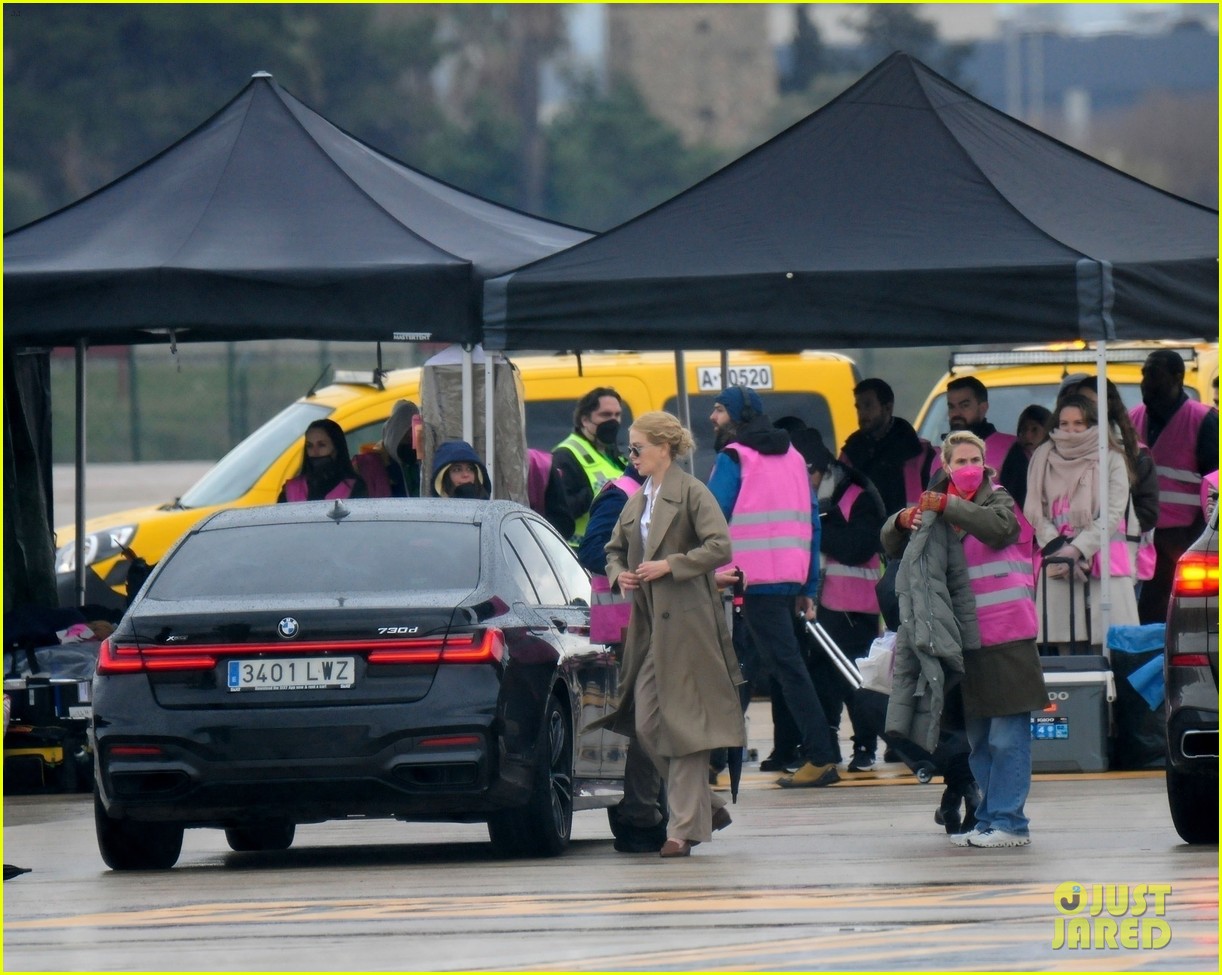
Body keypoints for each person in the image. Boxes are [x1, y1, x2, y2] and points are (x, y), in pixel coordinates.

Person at [891, 431, 1047, 848]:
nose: (969, 467)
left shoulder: (998, 500)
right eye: (960, 461)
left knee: (1006, 738)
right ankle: (989, 819)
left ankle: (1011, 823)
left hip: (1007, 636)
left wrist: (946, 505)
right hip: (966, 641)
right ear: (945, 466)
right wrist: (903, 519)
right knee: (980, 742)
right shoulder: (937, 506)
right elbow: (890, 540)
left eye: (975, 459)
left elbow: (999, 529)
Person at [603, 411, 746, 858]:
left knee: (685, 727)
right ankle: (707, 807)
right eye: (630, 448)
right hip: (649, 628)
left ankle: (682, 830)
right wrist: (620, 574)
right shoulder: (638, 499)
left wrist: (670, 565)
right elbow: (612, 549)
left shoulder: (692, 492)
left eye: (637, 447)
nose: (631, 456)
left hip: (688, 626)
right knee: (647, 723)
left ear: (664, 448)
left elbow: (720, 545)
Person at [707, 386, 839, 789]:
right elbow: (812, 523)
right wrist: (808, 586)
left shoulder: (734, 457)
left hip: (748, 580)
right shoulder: (794, 458)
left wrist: (698, 569)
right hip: (786, 580)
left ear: (737, 416)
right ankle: (715, 758)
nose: (713, 417)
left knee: (778, 668)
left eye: (719, 410)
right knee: (756, 668)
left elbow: (709, 518)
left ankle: (821, 755)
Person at [575, 464, 667, 854]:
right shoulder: (622, 493)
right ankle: (640, 817)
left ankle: (646, 813)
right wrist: (650, 566)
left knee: (652, 720)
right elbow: (593, 550)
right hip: (629, 626)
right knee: (644, 721)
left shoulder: (663, 491)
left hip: (658, 622)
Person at [784, 427, 887, 773]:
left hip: (854, 607)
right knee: (821, 678)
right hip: (818, 604)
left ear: (822, 468)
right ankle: (825, 744)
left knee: (856, 678)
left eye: (808, 473)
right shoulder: (800, 500)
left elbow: (859, 546)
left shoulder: (856, 495)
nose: (805, 482)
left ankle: (865, 745)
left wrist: (814, 530)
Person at [1025, 396, 1140, 653]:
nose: (1071, 430)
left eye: (1079, 423)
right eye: (1064, 423)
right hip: (1058, 562)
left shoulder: (1112, 458)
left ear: (1093, 424)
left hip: (1105, 566)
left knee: (1111, 648)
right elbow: (1035, 512)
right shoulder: (1042, 458)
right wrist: (1060, 550)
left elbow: (1113, 513)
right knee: (1067, 652)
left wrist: (1077, 550)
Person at [1129, 350, 1219, 622]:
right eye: (1144, 374)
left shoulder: (1204, 420)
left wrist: (1200, 538)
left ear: (1178, 377)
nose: (1146, 382)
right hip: (1142, 538)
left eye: (1154, 374)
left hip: (1186, 539)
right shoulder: (1132, 420)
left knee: (1183, 616)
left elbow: (1214, 483)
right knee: (1146, 618)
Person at [839, 378, 936, 519]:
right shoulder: (851, 452)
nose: (862, 413)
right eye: (858, 407)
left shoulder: (918, 452)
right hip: (861, 530)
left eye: (868, 405)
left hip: (908, 530)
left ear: (888, 408)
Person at [552, 388, 629, 548]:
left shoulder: (613, 454)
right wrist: (591, 494)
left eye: (617, 415)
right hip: (580, 551)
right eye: (606, 415)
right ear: (585, 420)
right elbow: (559, 511)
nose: (613, 421)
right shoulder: (565, 456)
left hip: (613, 548)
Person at [933, 376, 1029, 504]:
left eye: (964, 406)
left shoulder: (1008, 450)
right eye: (951, 407)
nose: (956, 413)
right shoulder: (937, 455)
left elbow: (1020, 506)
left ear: (983, 407)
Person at [278, 419, 367, 502]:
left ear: (337, 448)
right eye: (309, 446)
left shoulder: (355, 488)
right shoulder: (291, 489)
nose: (315, 452)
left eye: (321, 445)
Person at [379, 399, 422, 498]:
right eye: (406, 435)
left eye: (415, 432)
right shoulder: (379, 466)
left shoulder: (425, 464)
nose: (411, 436)